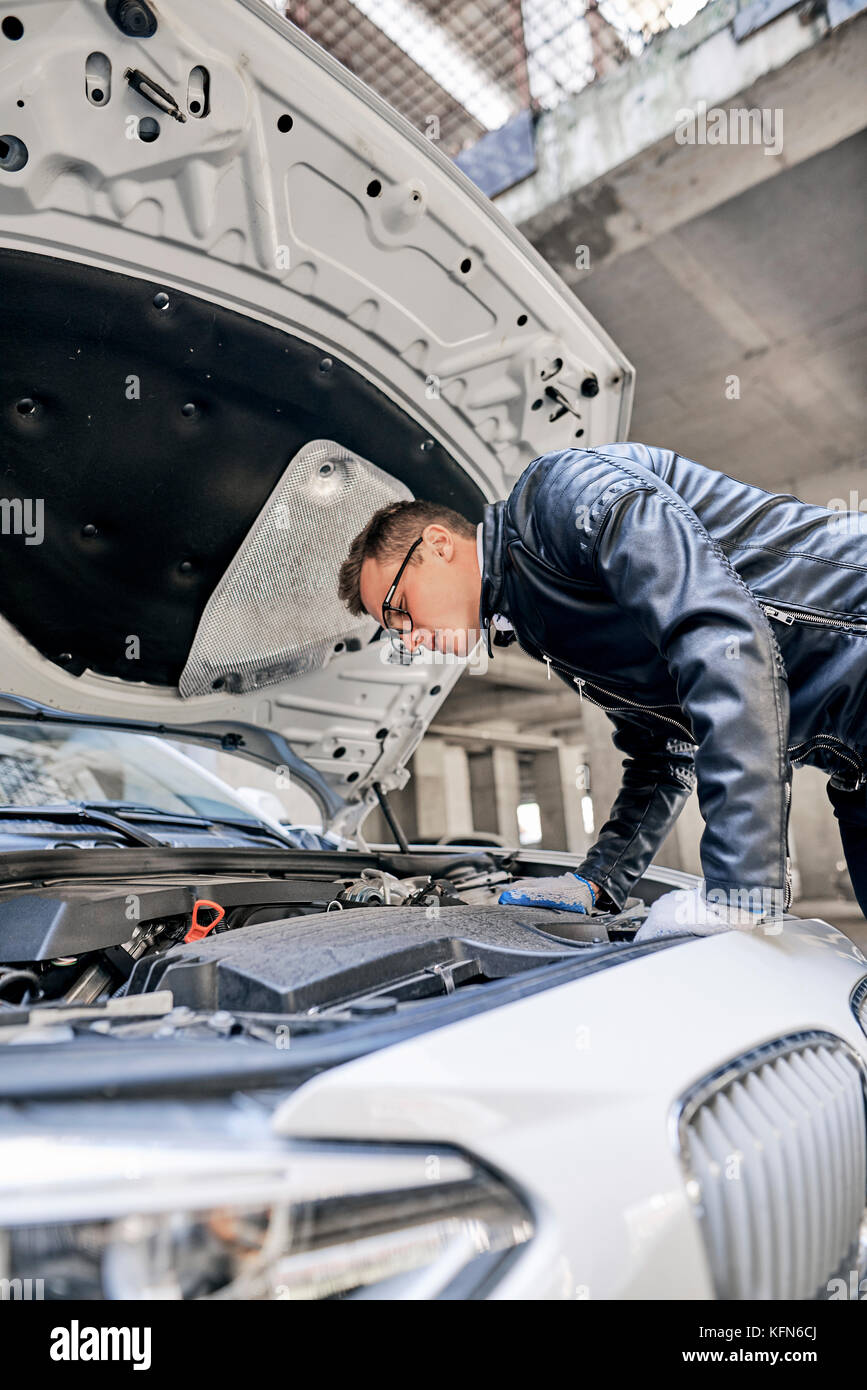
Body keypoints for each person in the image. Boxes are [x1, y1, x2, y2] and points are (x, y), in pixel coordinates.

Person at [337, 443, 867, 935]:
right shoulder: (540, 623)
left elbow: (721, 639)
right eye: (394, 631)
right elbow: (664, 751)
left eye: (400, 607)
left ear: (437, 544)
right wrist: (598, 882)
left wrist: (742, 884)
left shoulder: (563, 496)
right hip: (855, 764)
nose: (409, 636)